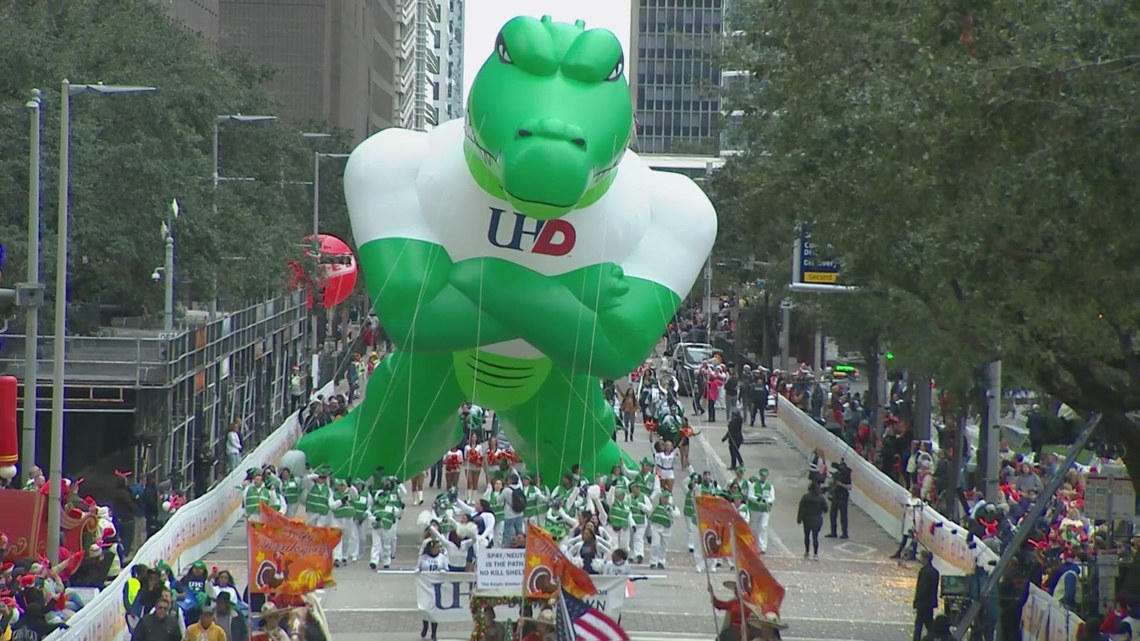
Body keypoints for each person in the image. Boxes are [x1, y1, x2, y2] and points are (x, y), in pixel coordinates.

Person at [912, 550, 940, 641]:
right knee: (929, 623)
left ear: (925, 559)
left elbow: (922, 588)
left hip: (923, 603)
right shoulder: (935, 572)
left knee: (919, 625)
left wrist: (917, 600)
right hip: (930, 602)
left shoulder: (924, 572)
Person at [795, 482, 827, 560]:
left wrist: (799, 519)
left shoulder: (805, 497)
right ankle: (815, 554)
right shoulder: (821, 498)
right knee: (815, 536)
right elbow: (826, 509)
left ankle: (807, 552)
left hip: (807, 519)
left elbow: (801, 508)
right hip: (817, 519)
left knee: (807, 536)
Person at [825, 459, 852, 539]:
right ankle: (833, 532)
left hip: (843, 497)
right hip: (835, 496)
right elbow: (831, 482)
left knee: (843, 516)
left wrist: (840, 484)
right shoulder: (837, 474)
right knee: (832, 515)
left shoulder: (846, 476)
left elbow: (849, 487)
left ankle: (845, 533)